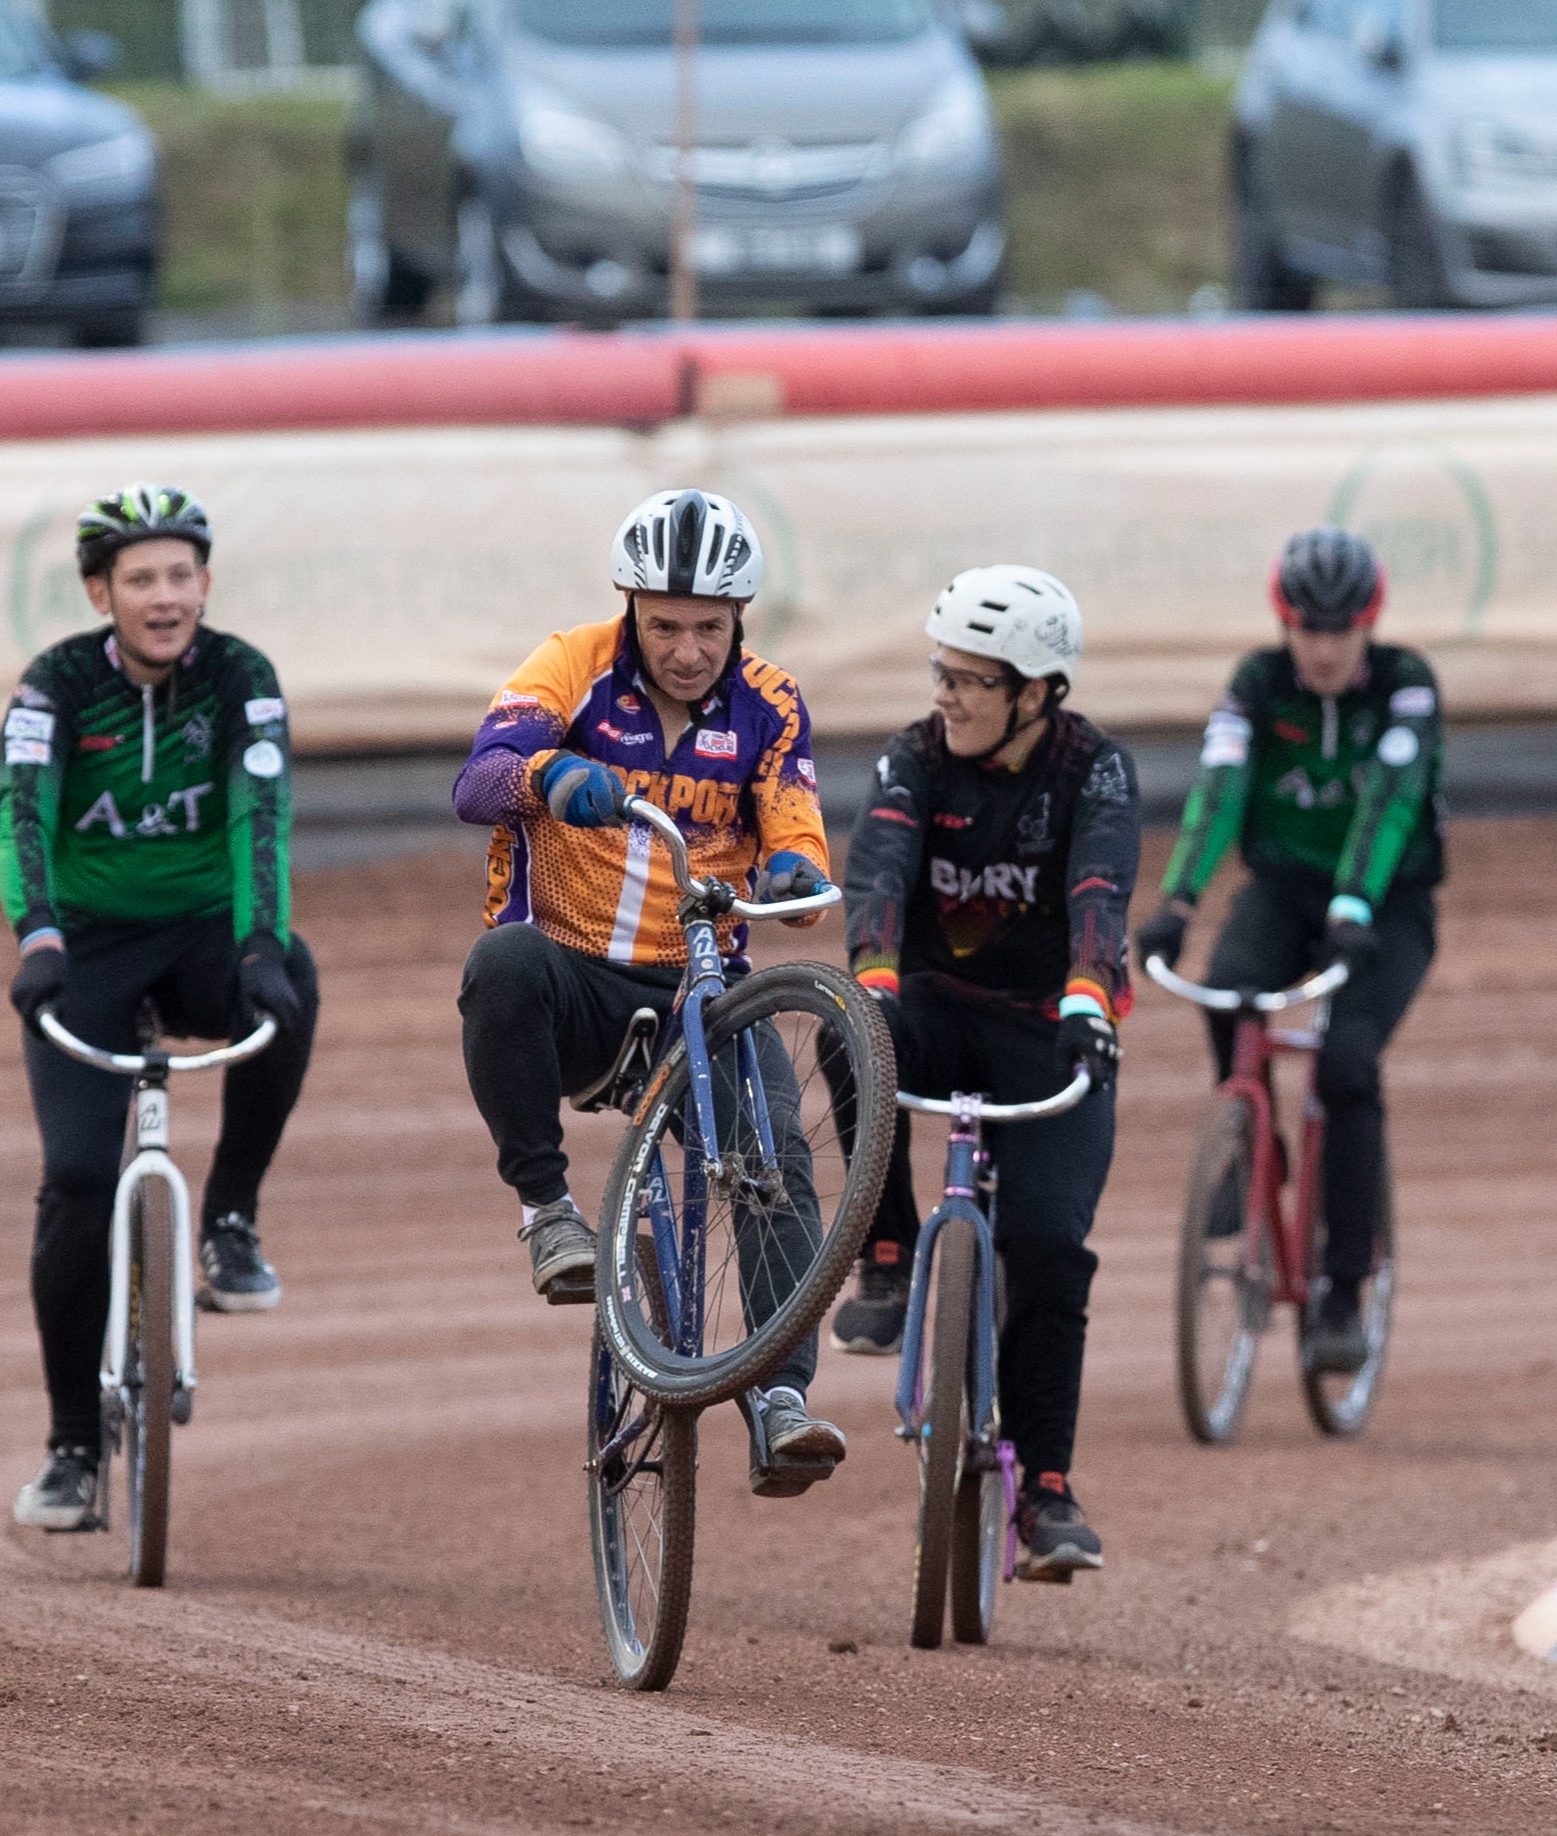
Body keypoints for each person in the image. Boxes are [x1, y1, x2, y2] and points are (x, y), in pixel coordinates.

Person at [453, 488, 850, 1497]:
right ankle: (547, 1211)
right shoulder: (571, 665)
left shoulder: (769, 699)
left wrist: (798, 873)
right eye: (664, 623)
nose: (685, 648)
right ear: (629, 608)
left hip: (705, 986)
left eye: (707, 627)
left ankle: (778, 1398)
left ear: (739, 620)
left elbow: (791, 813)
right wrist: (547, 778)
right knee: (495, 969)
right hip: (575, 975)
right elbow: (477, 778)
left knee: (777, 1157)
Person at [0, 486, 319, 1533]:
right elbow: (19, 815)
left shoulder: (240, 677)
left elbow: (259, 812)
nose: (164, 595)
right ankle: (72, 1447)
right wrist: (37, 933)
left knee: (296, 980)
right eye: (141, 578)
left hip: (201, 932)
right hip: (84, 946)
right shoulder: (54, 688)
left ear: (205, 585)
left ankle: (228, 1219)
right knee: (77, 1183)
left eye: (181, 574)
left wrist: (261, 937)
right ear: (102, 593)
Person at [828, 567, 1137, 1580]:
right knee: (845, 1029)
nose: (945, 695)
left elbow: (1099, 887)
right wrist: (871, 981)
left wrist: (1090, 996)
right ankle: (886, 1247)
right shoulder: (914, 755)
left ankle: (1045, 1489)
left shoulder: (1093, 770)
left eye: (970, 679)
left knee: (1048, 1247)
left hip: (1052, 1030)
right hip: (935, 1009)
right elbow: (876, 867)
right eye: (941, 672)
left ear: (1035, 692)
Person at [1133, 525, 1442, 1376]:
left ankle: (1342, 1289)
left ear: (1367, 625)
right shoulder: (1257, 684)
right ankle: (1248, 1149)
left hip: (1385, 906)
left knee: (1345, 1066)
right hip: (1282, 891)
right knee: (1228, 988)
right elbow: (1221, 786)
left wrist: (1354, 901)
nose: (1323, 648)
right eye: (1308, 628)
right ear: (1285, 623)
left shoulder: (1408, 686)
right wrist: (1178, 900)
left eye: (1339, 630)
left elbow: (1390, 799)